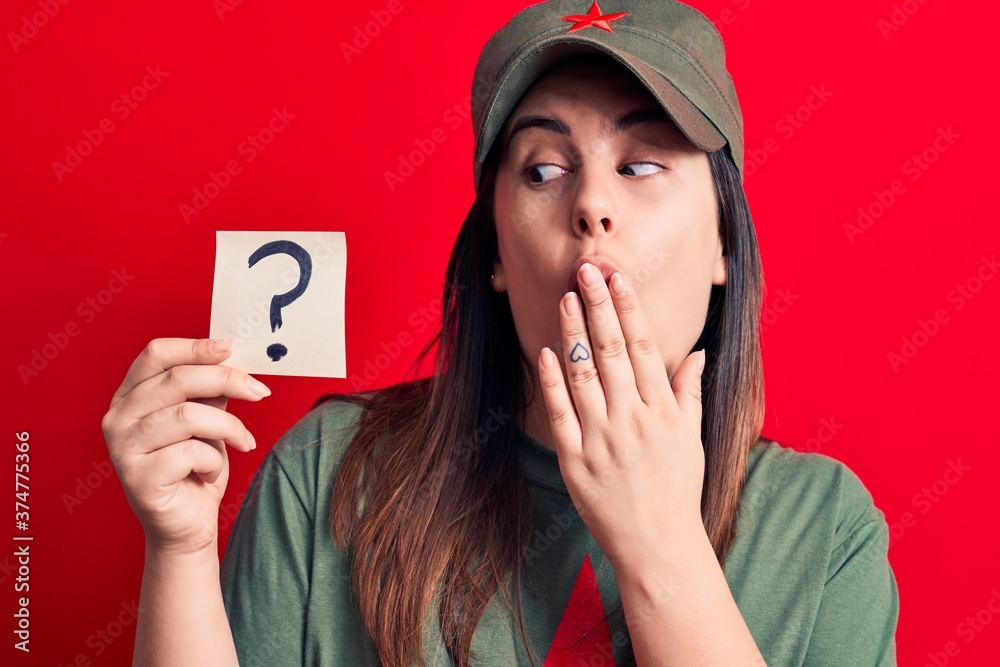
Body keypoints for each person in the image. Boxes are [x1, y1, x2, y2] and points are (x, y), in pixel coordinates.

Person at [102, 1, 900, 665]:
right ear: (494, 255)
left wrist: (660, 545)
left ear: (724, 242)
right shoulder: (324, 477)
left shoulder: (824, 527)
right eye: (544, 170)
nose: (591, 205)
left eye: (643, 162)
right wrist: (178, 552)